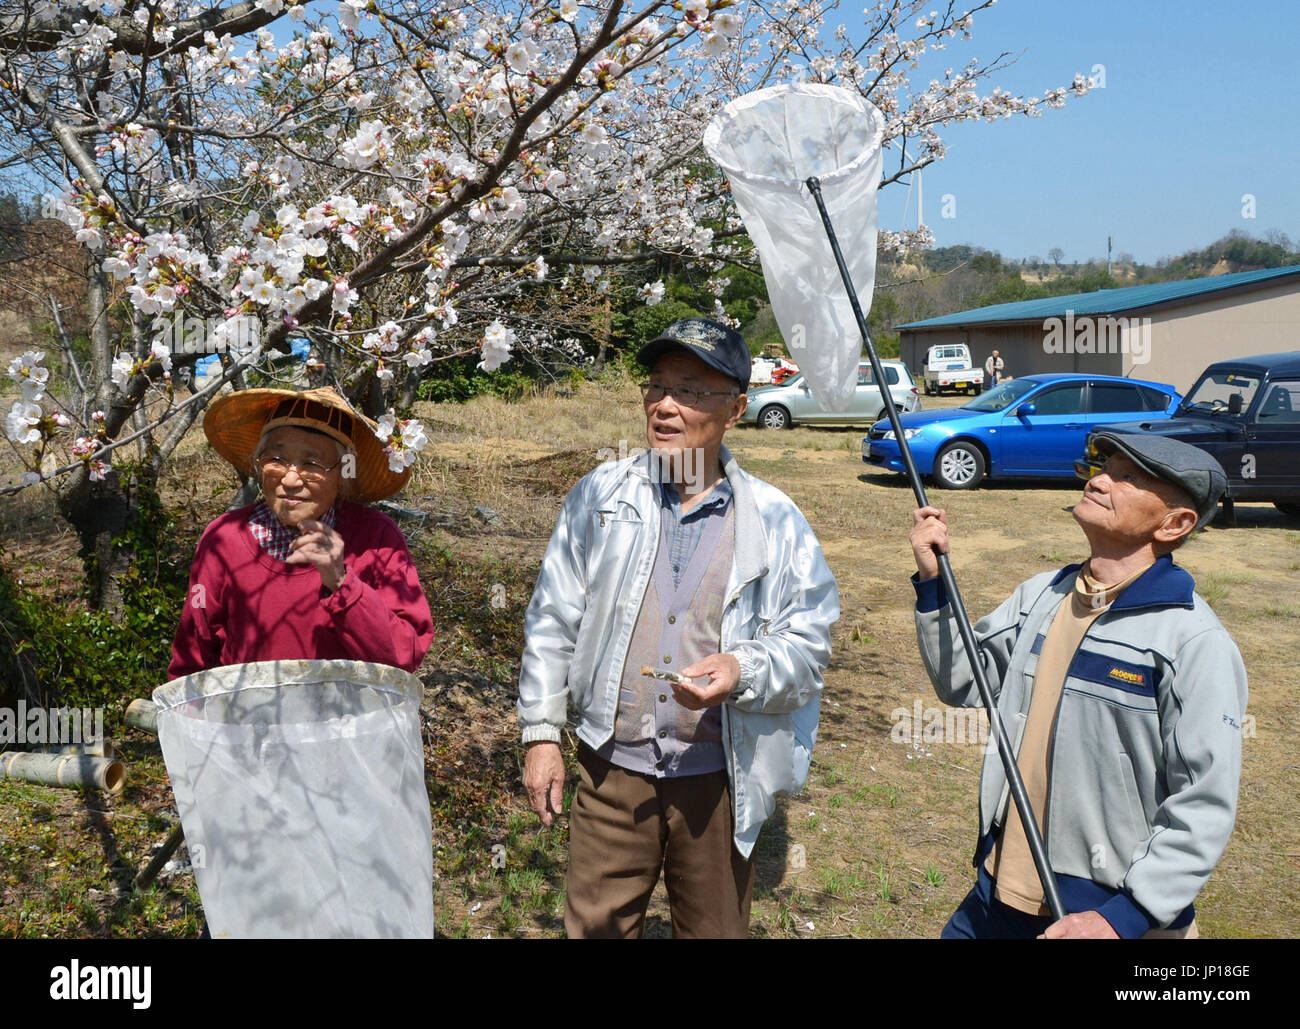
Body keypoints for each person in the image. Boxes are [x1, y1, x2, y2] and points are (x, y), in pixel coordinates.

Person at [517, 318, 838, 938]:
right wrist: (540, 733)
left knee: (714, 929)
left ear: (736, 408)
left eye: (691, 390)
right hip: (612, 766)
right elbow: (552, 619)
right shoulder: (600, 496)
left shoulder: (775, 519)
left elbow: (809, 642)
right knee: (595, 927)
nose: (664, 405)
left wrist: (744, 668)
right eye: (657, 386)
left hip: (718, 774)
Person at [909, 431, 1247, 939]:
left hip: (1108, 917)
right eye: (1104, 466)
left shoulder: (1192, 640)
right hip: (1000, 891)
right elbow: (964, 680)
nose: (1101, 479)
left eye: (1129, 477)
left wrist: (1122, 918)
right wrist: (935, 581)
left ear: (1176, 524)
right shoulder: (1040, 596)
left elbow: (1204, 801)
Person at [169, 387, 434, 678]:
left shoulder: (377, 540)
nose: (291, 479)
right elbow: (193, 652)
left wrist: (341, 583)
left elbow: (404, 655)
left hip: (347, 722)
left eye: (312, 464)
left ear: (344, 473)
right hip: (249, 720)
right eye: (277, 460)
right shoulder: (224, 538)